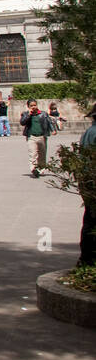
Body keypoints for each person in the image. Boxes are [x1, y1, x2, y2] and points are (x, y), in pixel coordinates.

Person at [77, 106, 96, 267]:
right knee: (92, 219)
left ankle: (86, 257)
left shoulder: (89, 132)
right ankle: (88, 258)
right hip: (92, 180)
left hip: (86, 180)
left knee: (90, 218)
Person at [20, 99, 57, 178]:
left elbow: (49, 122)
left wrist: (53, 130)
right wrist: (29, 115)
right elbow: (22, 122)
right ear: (28, 107)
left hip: (42, 136)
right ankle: (34, 169)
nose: (33, 107)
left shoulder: (43, 114)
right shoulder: (26, 114)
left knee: (42, 154)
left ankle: (41, 168)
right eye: (31, 106)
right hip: (31, 137)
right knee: (33, 154)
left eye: (34, 105)